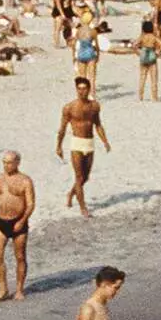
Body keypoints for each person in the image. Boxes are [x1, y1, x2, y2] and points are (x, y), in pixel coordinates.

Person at [0, 151, 35, 302]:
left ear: (18, 162)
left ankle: (19, 289)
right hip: (1, 221)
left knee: (20, 256)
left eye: (10, 162)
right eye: (4, 162)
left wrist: (22, 220)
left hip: (18, 221)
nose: (7, 165)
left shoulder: (25, 181)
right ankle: (3, 288)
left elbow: (31, 204)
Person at [56, 77, 112, 218]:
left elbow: (98, 124)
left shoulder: (95, 106)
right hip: (77, 143)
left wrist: (105, 141)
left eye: (84, 88)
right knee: (79, 176)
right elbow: (62, 128)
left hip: (89, 142)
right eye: (79, 89)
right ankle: (83, 207)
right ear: (76, 90)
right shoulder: (69, 107)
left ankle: (70, 193)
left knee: (85, 177)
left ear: (89, 89)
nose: (82, 92)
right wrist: (59, 146)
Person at [133, 20, 159, 102]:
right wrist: (158, 52)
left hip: (143, 55)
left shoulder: (142, 37)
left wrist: (138, 53)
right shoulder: (153, 37)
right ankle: (154, 97)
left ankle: (140, 97)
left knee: (142, 77)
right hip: (152, 55)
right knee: (154, 78)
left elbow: (134, 45)